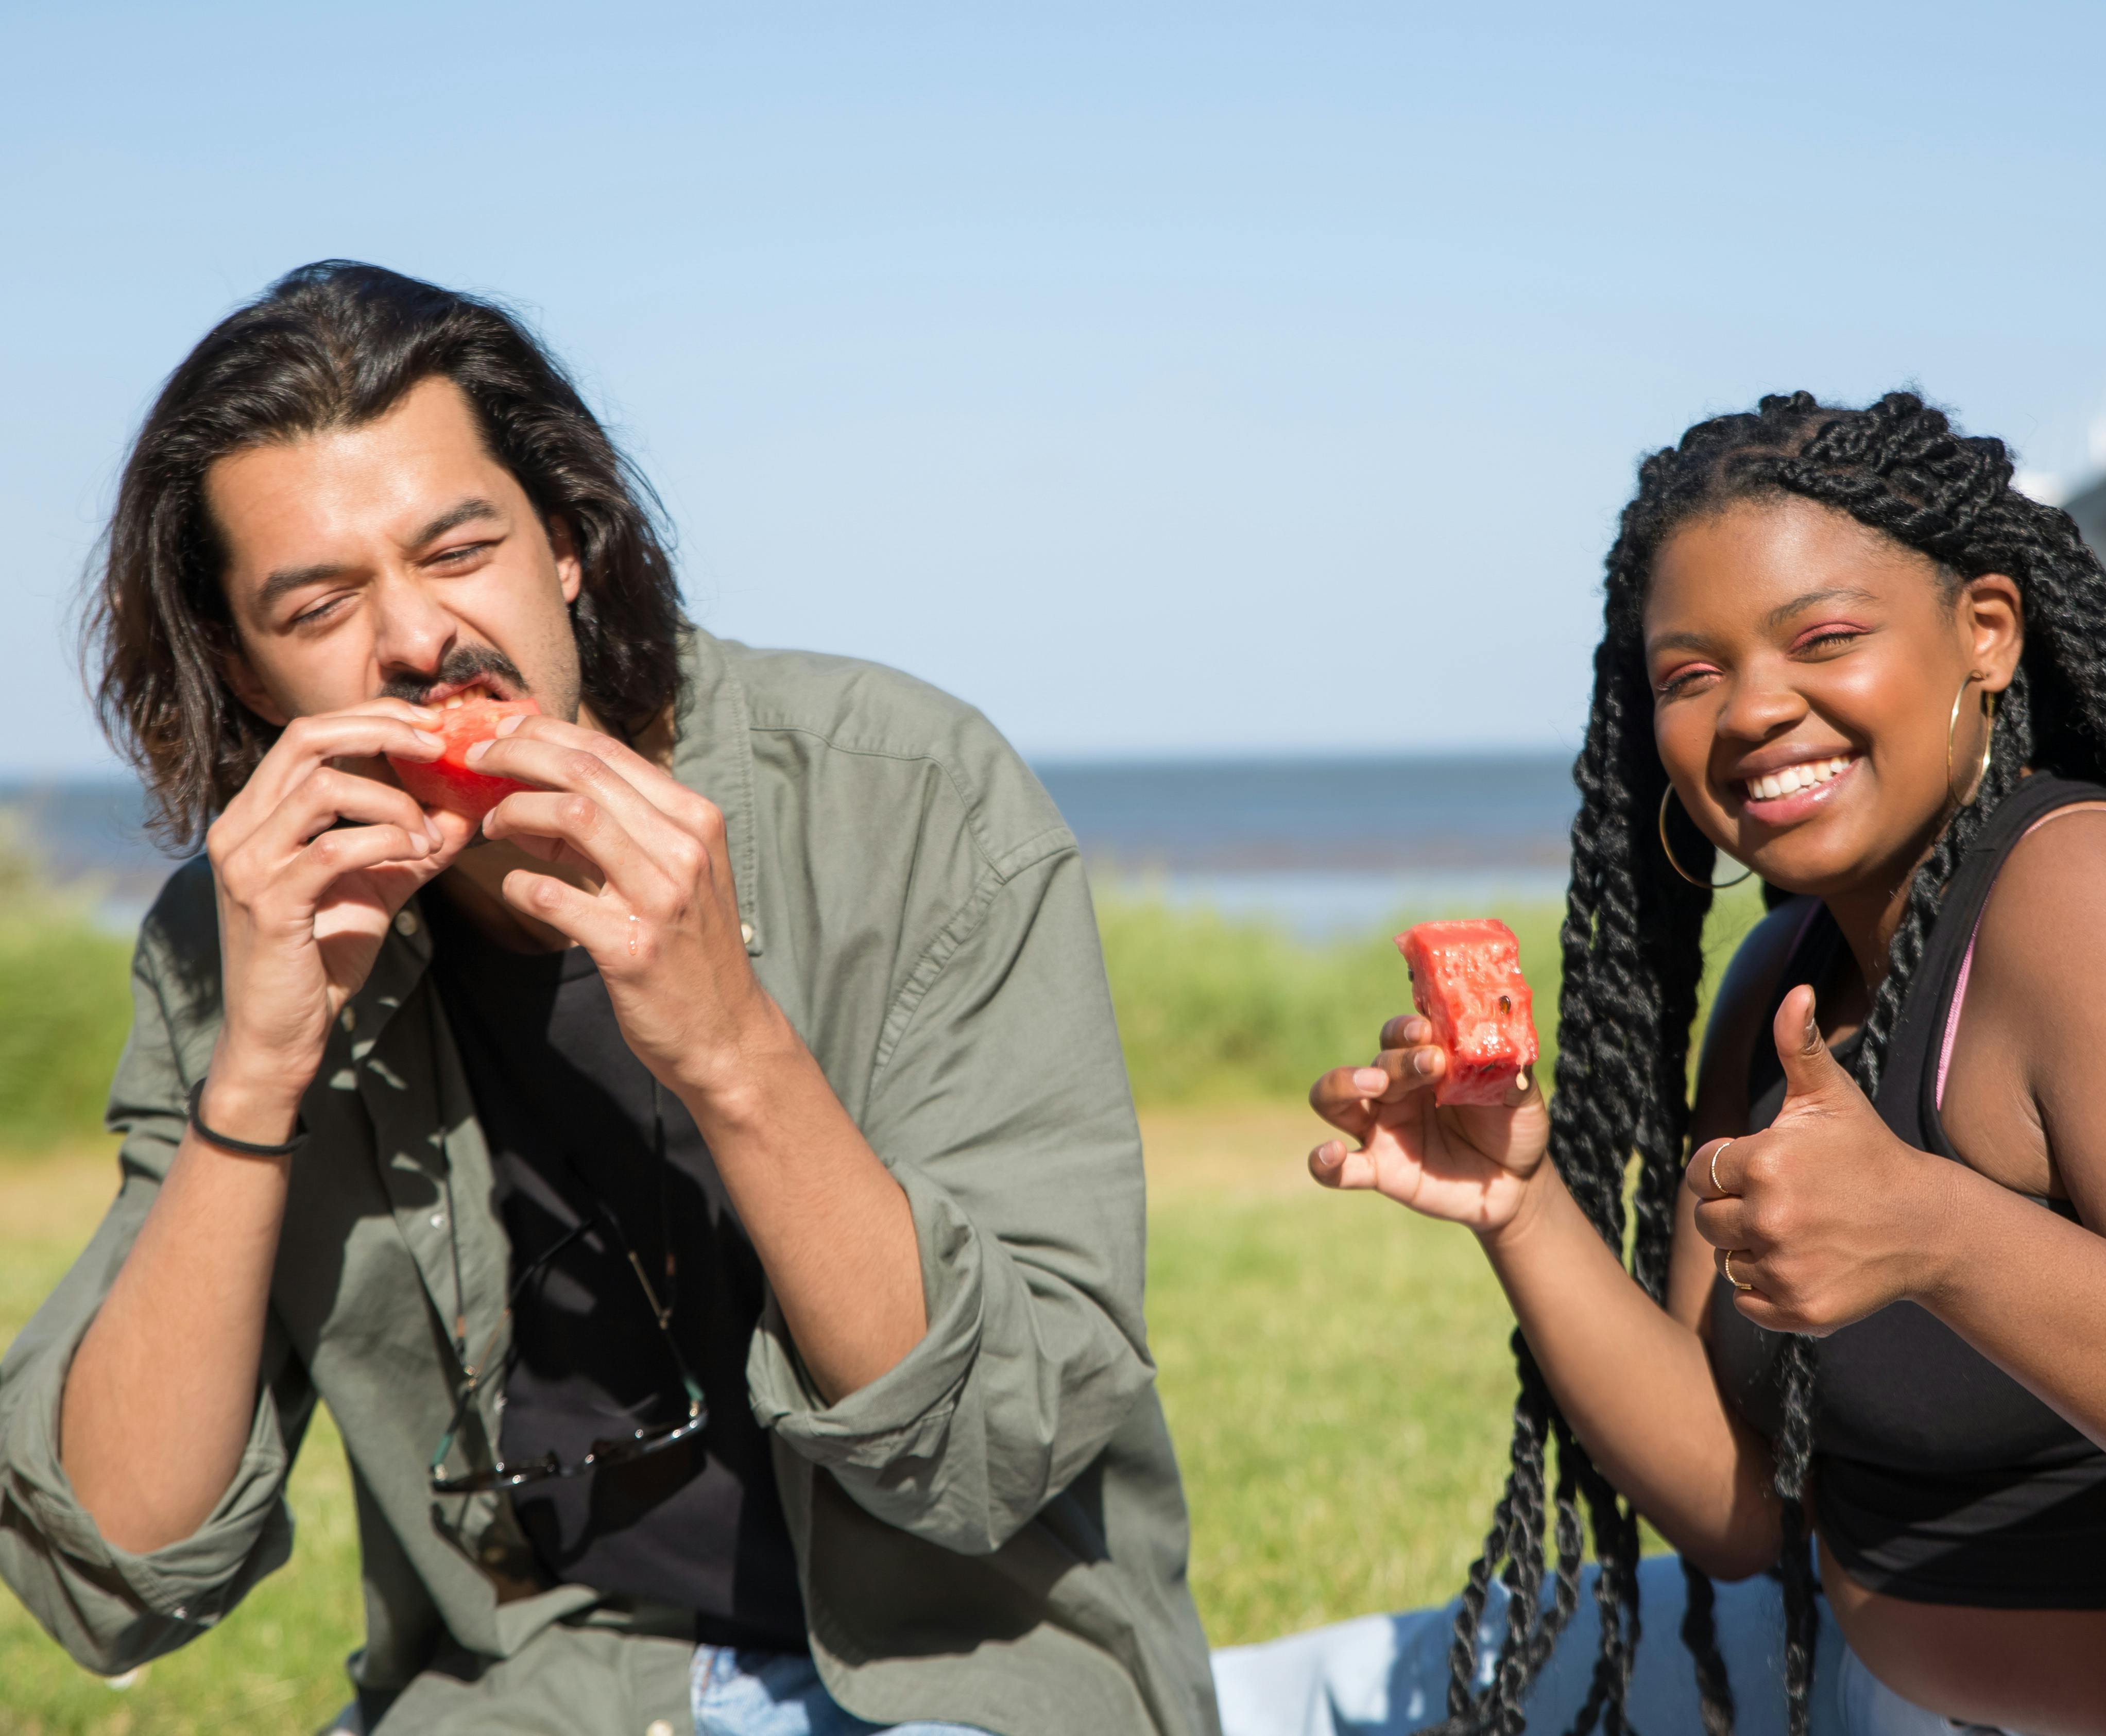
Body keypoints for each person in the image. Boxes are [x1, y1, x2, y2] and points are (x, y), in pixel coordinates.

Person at [0, 261, 1218, 1736]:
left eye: (460, 550)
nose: (417, 640)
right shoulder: (242, 938)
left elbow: (1000, 1451)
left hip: (966, 1669)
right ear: (250, 679)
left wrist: (732, 1047)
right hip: (525, 1693)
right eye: (319, 604)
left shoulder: (910, 801)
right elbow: (113, 1570)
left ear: (568, 545)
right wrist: (253, 1079)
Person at [1299, 392, 2106, 1734]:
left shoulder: (2088, 898)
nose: (1752, 709)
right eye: (1689, 674)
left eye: (1824, 639)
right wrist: (1517, 1201)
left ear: (1986, 633)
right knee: (1280, 1698)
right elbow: (1741, 1507)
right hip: (1849, 1683)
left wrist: (1940, 1238)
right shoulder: (1781, 977)